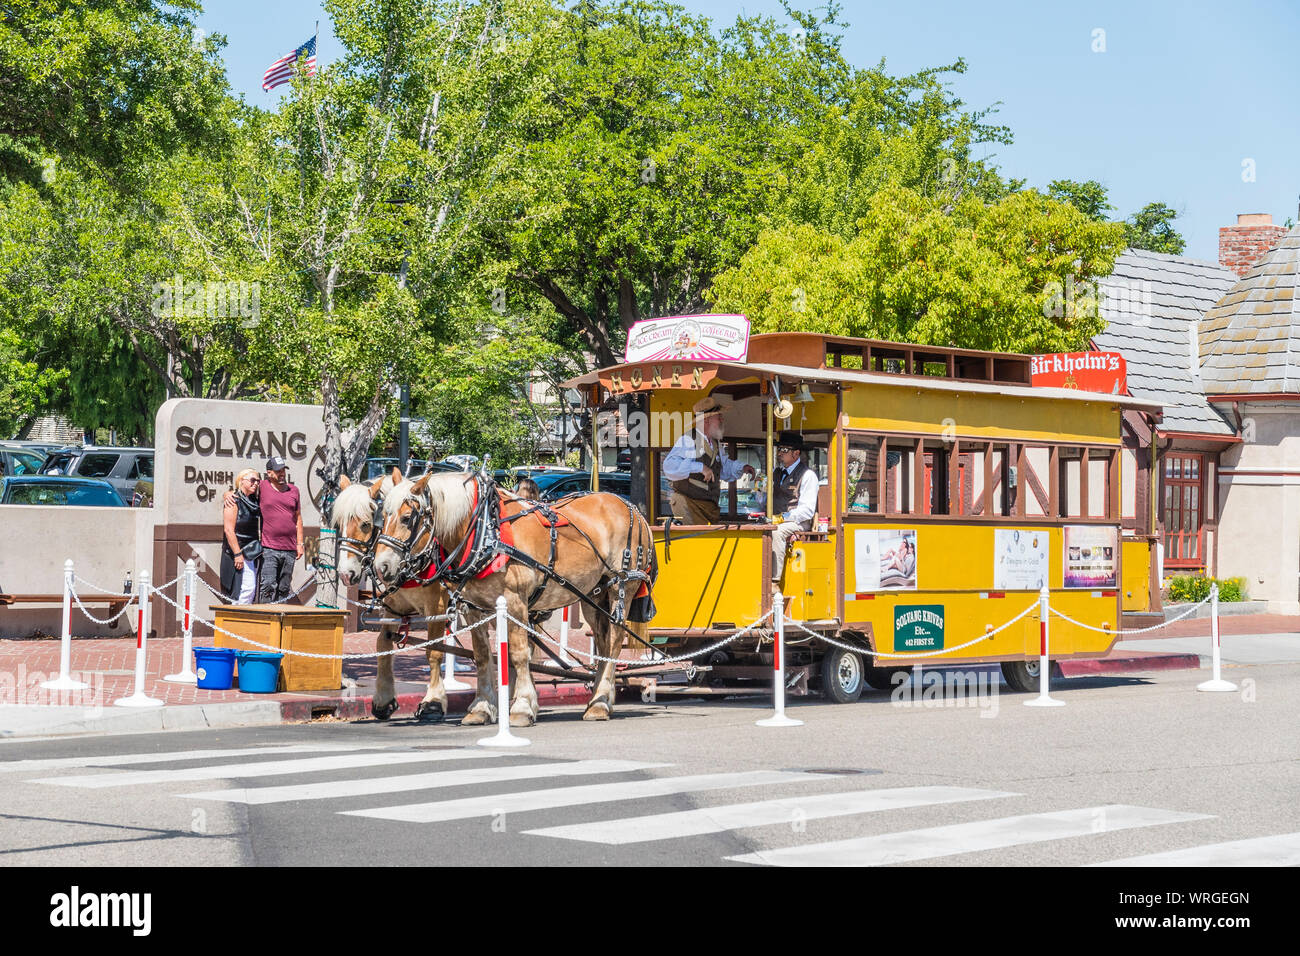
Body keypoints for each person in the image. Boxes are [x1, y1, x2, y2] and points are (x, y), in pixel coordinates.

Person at [662, 395, 755, 524]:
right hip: (688, 504)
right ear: (707, 421)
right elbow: (670, 467)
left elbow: (723, 468)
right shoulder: (689, 439)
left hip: (708, 507)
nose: (722, 419)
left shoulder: (715, 443)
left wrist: (742, 468)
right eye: (719, 417)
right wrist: (700, 468)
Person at [770, 431, 820, 590]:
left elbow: (807, 511)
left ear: (796, 453)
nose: (779, 453)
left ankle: (774, 581)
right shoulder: (776, 473)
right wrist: (759, 491)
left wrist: (783, 518)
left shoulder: (808, 475)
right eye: (779, 450)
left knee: (777, 532)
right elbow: (766, 501)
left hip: (798, 523)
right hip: (775, 518)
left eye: (784, 450)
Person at [257, 455, 303, 603]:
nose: (282, 473)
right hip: (269, 547)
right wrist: (227, 495)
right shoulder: (262, 487)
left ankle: (279, 623)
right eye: (278, 471)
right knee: (268, 585)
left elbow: (298, 518)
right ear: (269, 473)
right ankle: (265, 620)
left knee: (284, 588)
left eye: (283, 470)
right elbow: (241, 491)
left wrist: (300, 544)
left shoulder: (294, 490)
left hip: (290, 549)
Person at [219, 469, 262, 603]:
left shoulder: (255, 500)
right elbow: (229, 530)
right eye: (252, 480)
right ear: (242, 480)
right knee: (241, 590)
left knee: (249, 590)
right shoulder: (234, 500)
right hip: (237, 552)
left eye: (258, 481)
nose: (255, 484)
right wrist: (237, 554)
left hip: (251, 552)